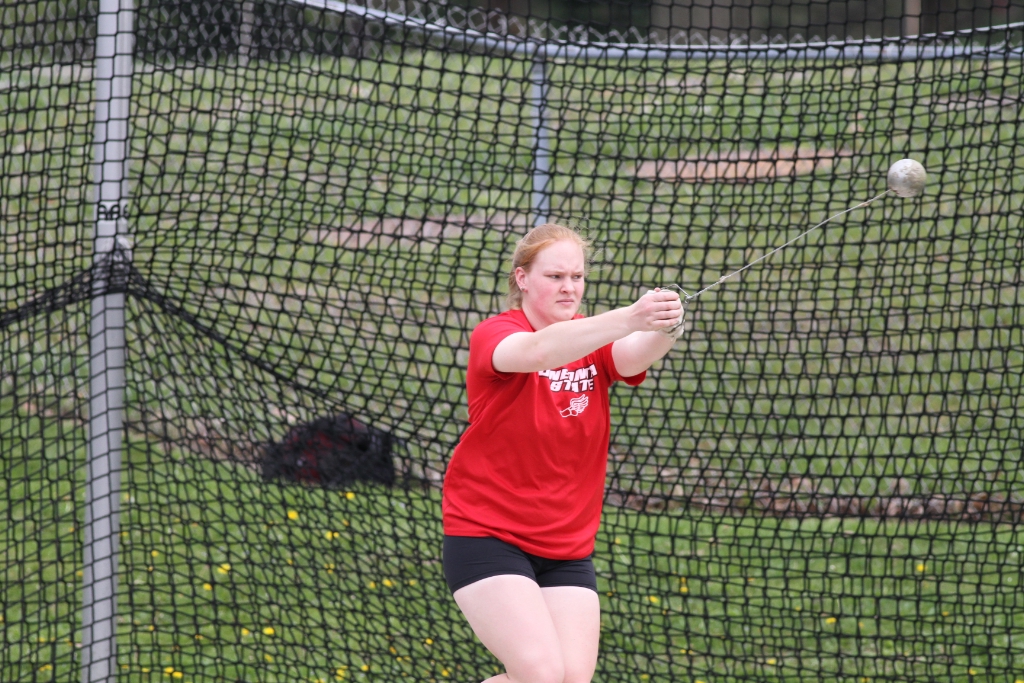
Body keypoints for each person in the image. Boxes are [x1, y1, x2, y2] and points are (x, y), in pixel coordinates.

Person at [442, 223, 683, 683]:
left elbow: (632, 355)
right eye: (555, 276)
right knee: (540, 673)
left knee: (570, 680)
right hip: (487, 533)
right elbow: (536, 352)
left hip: (566, 544)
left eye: (576, 276)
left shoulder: (590, 340)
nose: (569, 287)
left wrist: (667, 324)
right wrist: (630, 316)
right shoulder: (497, 334)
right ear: (522, 278)